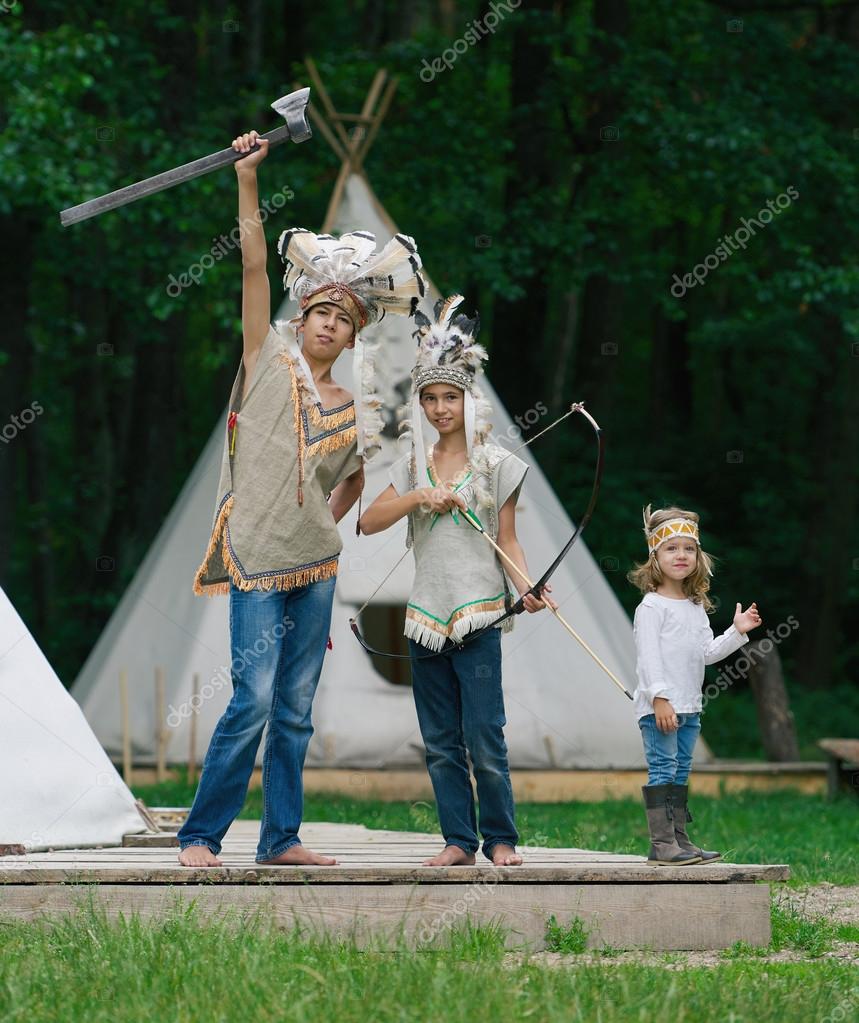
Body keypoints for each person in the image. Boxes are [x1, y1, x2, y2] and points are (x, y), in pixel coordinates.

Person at [178, 129, 425, 867]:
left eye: (344, 318)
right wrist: (248, 178)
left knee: (292, 713)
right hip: (256, 555)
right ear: (304, 315)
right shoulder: (265, 361)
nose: (329, 321)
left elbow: (351, 479)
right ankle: (200, 834)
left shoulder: (352, 407)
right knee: (250, 700)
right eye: (321, 310)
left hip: (316, 564)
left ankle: (281, 838)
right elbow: (254, 264)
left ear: (353, 337)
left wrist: (328, 521)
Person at [359, 296, 555, 867]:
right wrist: (418, 496)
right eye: (431, 399)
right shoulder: (411, 465)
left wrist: (527, 587)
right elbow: (369, 522)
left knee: (485, 736)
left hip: (481, 613)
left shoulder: (497, 464)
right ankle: (457, 842)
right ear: (418, 404)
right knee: (441, 743)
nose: (441, 408)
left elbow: (509, 540)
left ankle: (500, 839)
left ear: (470, 399)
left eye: (450, 397)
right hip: (425, 618)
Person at [628, 504, 762, 865]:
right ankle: (661, 843)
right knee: (663, 770)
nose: (681, 555)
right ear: (655, 556)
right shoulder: (651, 607)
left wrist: (737, 631)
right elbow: (648, 657)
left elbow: (707, 652)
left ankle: (678, 841)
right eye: (672, 548)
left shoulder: (694, 606)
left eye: (689, 548)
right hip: (662, 707)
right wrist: (659, 698)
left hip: (690, 707)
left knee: (680, 772)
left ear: (698, 556)